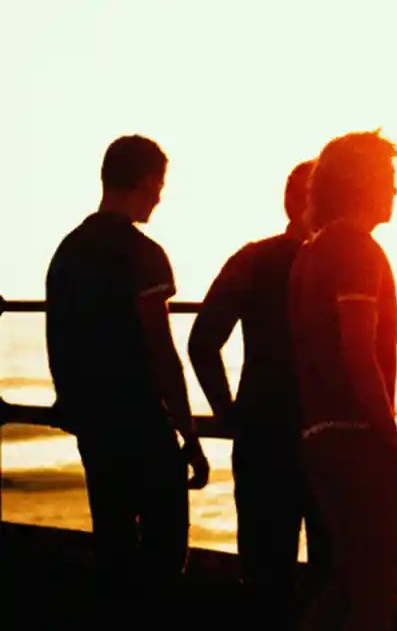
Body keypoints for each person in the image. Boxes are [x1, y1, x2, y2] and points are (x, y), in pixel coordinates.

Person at [45, 134, 210, 615]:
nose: (160, 194)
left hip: (93, 424)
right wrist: (190, 432)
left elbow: (58, 340)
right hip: (140, 423)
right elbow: (162, 350)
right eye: (159, 183)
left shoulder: (66, 253)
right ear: (141, 181)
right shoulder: (142, 254)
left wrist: (72, 404)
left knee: (113, 547)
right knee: (164, 554)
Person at [188, 159, 330, 625]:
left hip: (262, 434)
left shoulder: (252, 259)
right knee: (331, 581)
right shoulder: (344, 264)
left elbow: (202, 341)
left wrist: (226, 412)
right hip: (327, 437)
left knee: (266, 582)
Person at [289, 130, 397, 631]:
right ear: (363, 182)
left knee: (344, 586)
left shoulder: (309, 255)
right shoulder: (358, 252)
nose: (396, 191)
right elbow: (360, 353)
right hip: (358, 442)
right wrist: (390, 438)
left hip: (319, 437)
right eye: (389, 178)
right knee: (375, 594)